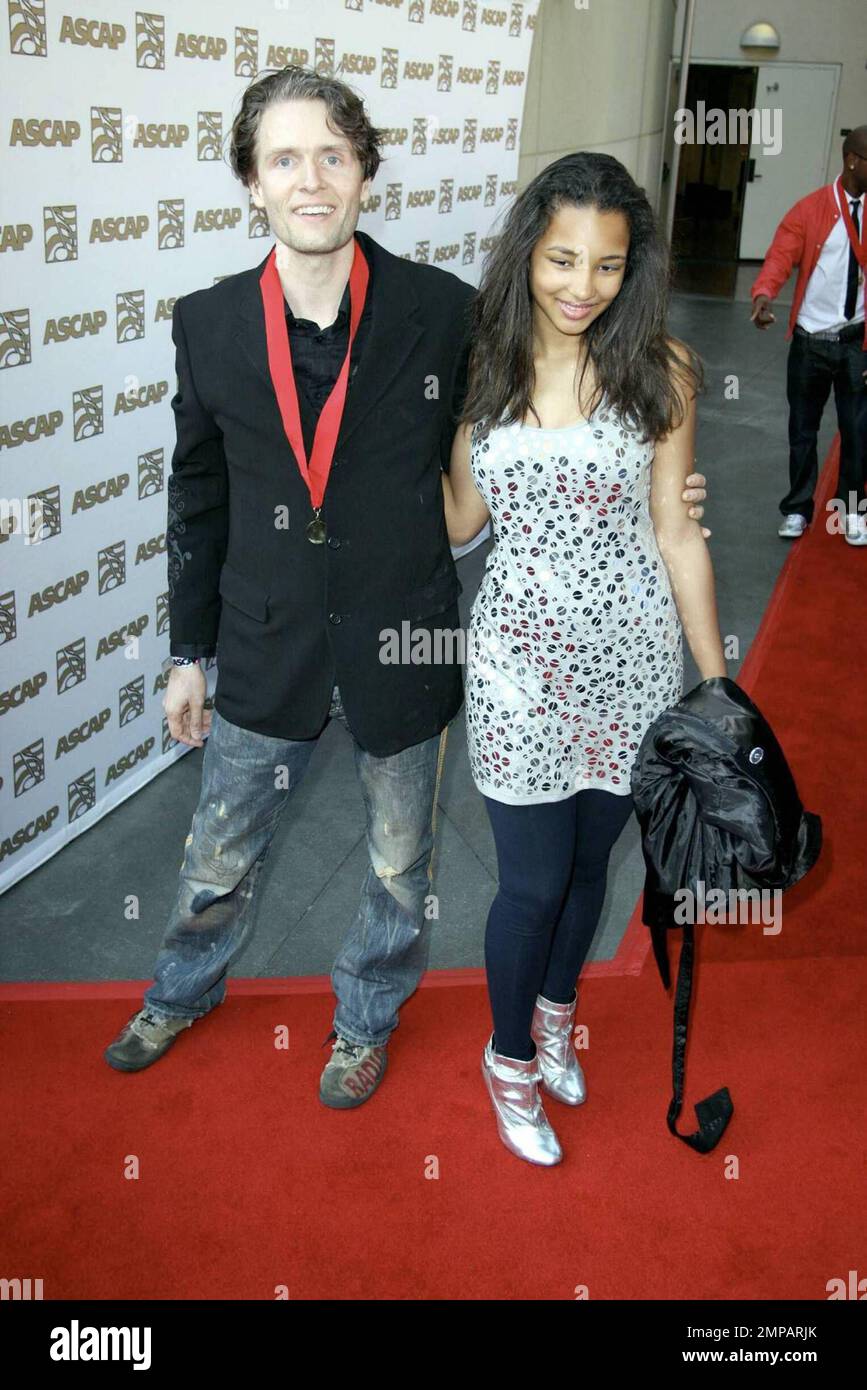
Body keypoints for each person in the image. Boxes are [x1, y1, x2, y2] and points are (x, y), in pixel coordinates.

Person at [104, 68, 709, 1110]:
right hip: (265, 638)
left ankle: (365, 1020)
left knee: (398, 867)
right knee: (219, 851)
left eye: (333, 156)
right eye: (284, 158)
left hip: (407, 639)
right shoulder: (204, 324)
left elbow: (531, 418)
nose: (310, 180)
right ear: (250, 182)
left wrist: (655, 478)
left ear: (366, 174)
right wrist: (188, 652)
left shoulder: (442, 311)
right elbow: (195, 495)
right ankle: (180, 987)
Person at [441, 151, 728, 1166]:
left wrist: (715, 684)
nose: (581, 286)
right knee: (530, 881)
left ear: (631, 268)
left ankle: (557, 1014)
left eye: (607, 265)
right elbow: (461, 523)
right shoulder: (482, 367)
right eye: (562, 259)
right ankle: (509, 1057)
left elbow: (677, 532)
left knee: (590, 867)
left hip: (635, 663)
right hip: (520, 665)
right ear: (529, 253)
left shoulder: (664, 371)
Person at [751, 126, 867, 546]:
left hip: (858, 343)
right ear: (852, 160)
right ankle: (798, 508)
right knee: (803, 430)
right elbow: (781, 255)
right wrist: (764, 294)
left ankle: (852, 512)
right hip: (811, 343)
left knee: (859, 433)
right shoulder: (811, 210)